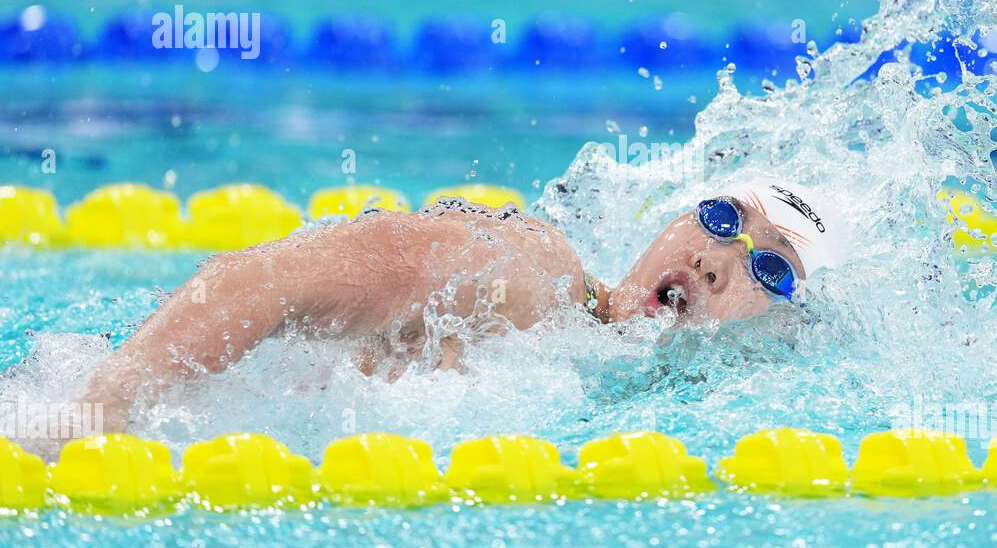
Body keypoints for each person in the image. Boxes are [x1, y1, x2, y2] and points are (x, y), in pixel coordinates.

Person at [81, 179, 846, 431]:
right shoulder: (536, 276)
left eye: (770, 268)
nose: (715, 259)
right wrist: (92, 412)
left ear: (787, 330)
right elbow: (258, 281)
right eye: (721, 217)